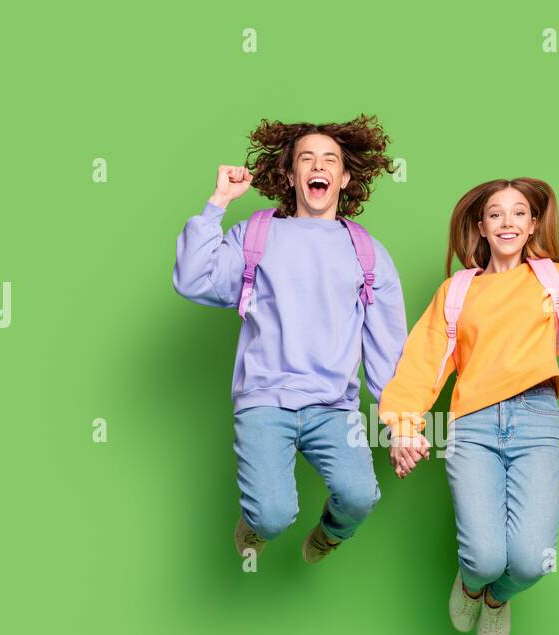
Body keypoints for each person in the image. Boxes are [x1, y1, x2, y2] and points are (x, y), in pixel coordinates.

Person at [380, 178, 559, 635]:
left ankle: (497, 601)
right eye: (495, 214)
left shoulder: (553, 279)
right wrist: (404, 427)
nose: (507, 222)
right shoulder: (457, 291)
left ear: (532, 225)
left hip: (538, 423)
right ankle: (473, 584)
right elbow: (421, 363)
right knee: (480, 559)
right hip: (473, 427)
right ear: (480, 227)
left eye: (519, 213)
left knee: (530, 563)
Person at [173, 116, 409, 565]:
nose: (317, 166)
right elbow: (191, 279)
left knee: (359, 497)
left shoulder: (367, 252)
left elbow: (387, 346)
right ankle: (259, 525)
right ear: (290, 175)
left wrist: (401, 423)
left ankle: (330, 534)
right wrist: (219, 201)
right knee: (274, 514)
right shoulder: (257, 235)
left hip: (334, 407)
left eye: (329, 160)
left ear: (344, 177)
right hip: (265, 400)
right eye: (306, 159)